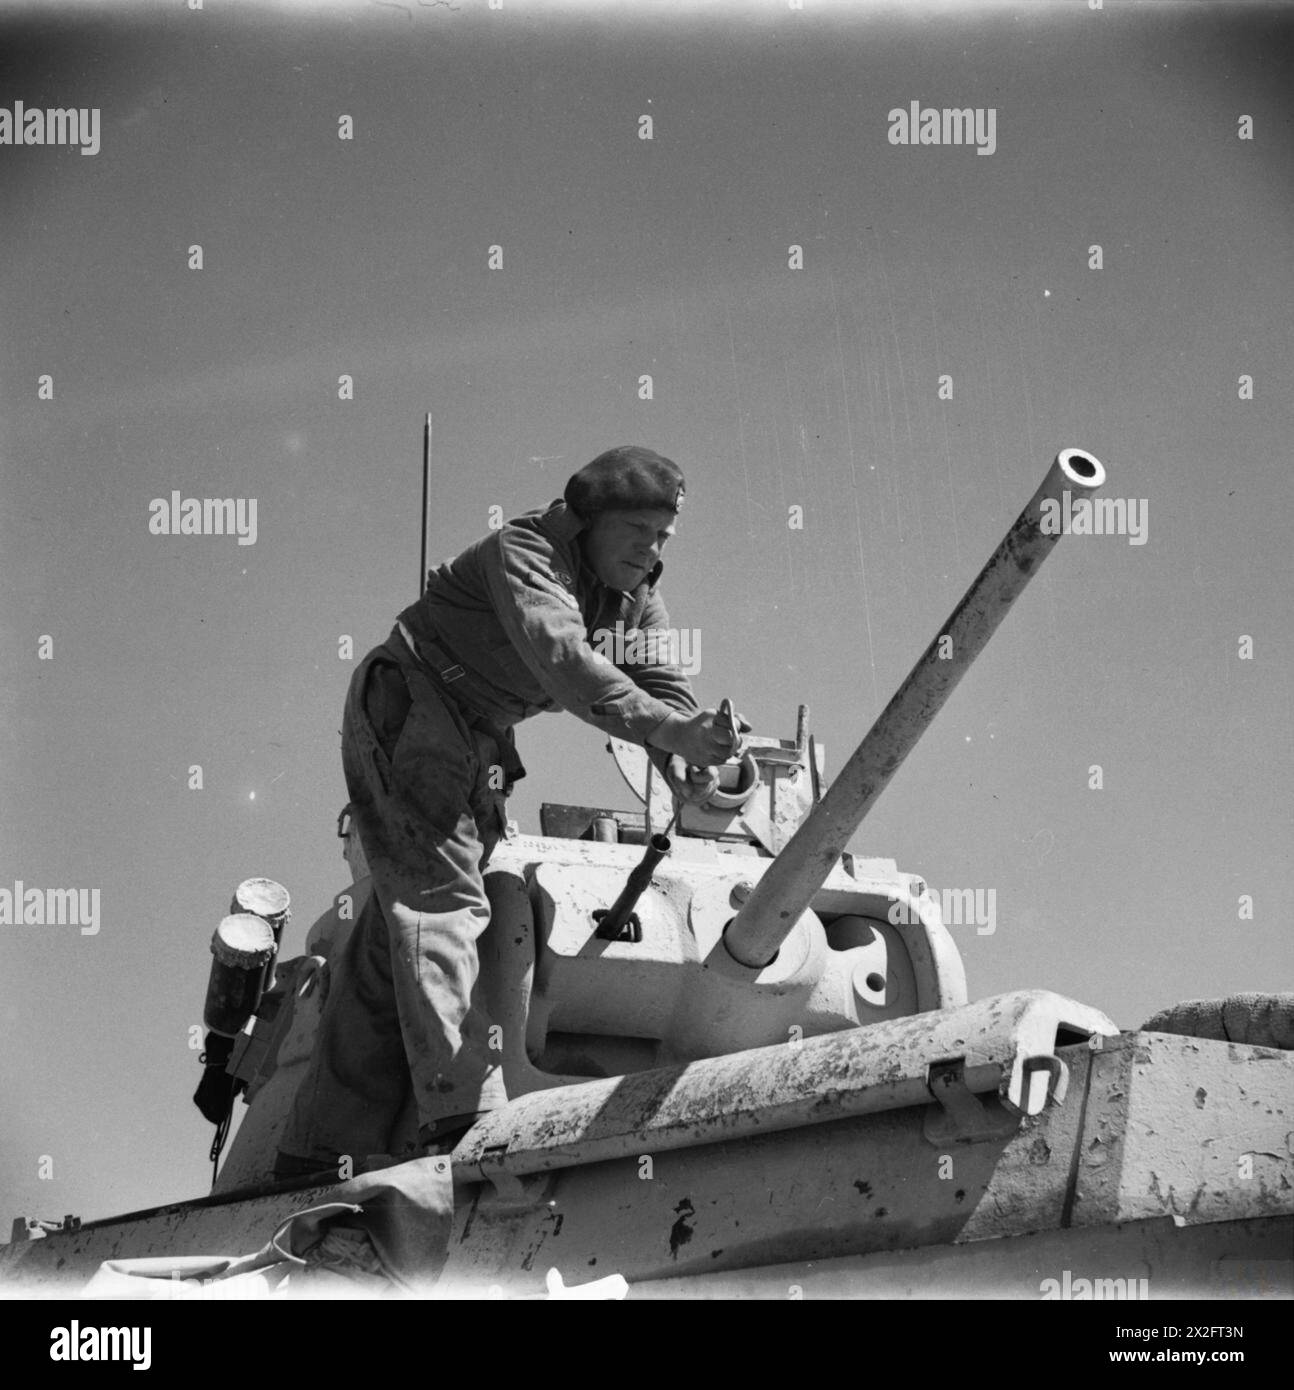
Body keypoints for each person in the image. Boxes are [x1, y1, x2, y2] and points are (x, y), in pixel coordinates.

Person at [275, 445, 740, 1176]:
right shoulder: (526, 550)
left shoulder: (634, 595)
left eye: (664, 538)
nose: (652, 552)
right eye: (639, 532)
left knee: (388, 939)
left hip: (477, 729)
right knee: (444, 904)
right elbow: (563, 658)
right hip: (414, 700)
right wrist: (665, 729)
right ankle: (461, 1113)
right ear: (589, 521)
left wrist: (691, 755)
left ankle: (322, 1144)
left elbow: (657, 679)